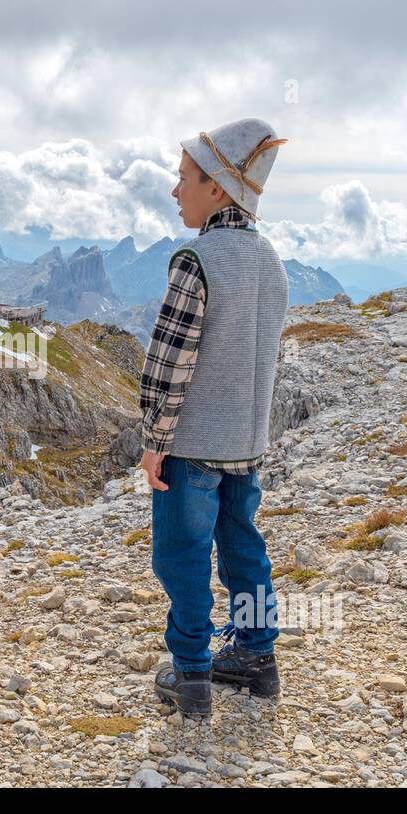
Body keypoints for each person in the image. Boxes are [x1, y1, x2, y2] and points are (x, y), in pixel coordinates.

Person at [140, 118, 289, 717]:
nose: (176, 191)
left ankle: (192, 671)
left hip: (193, 442)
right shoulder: (272, 262)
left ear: (219, 189)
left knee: (181, 554)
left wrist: (154, 437)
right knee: (244, 547)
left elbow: (168, 360)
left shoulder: (196, 259)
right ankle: (257, 657)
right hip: (247, 442)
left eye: (183, 179)